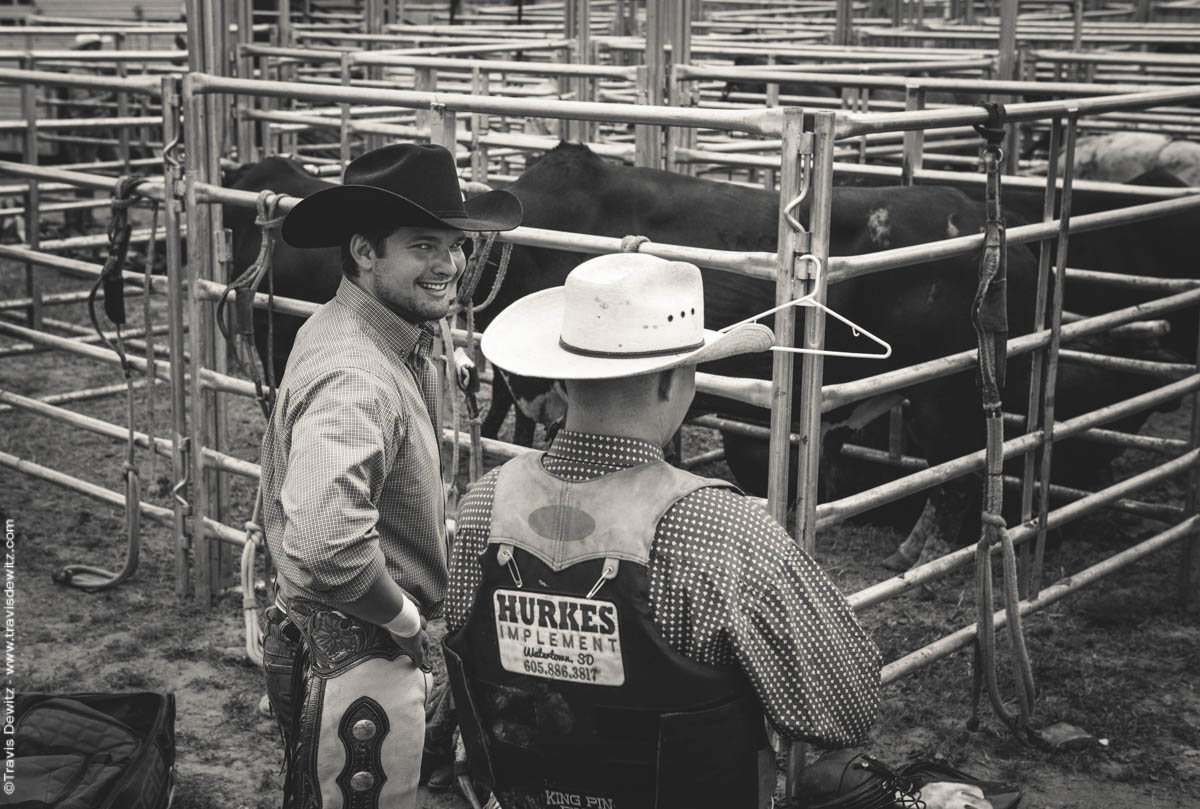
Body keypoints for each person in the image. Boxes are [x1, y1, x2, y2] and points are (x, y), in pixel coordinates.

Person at [444, 253, 882, 808]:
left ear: (563, 376)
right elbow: (844, 706)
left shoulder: (485, 504)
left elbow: (463, 659)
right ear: (673, 381)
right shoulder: (723, 527)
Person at [258, 142, 522, 809]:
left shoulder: (365, 334)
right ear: (365, 251)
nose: (450, 265)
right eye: (424, 246)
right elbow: (327, 542)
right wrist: (408, 622)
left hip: (351, 650)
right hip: (362, 654)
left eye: (455, 246)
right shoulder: (355, 374)